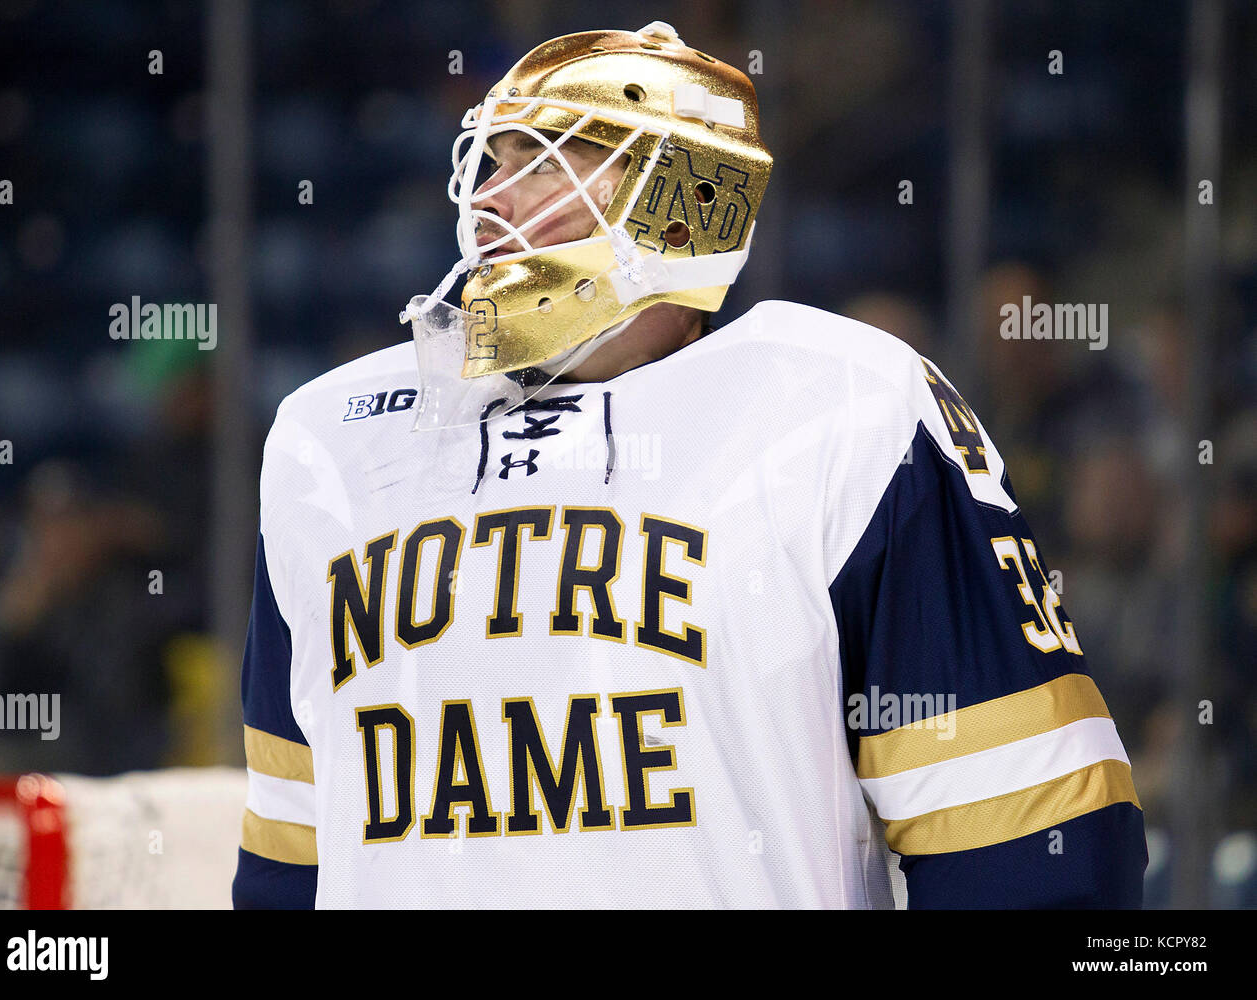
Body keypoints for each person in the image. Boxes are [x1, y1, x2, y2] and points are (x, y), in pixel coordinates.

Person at [232, 21, 1146, 908]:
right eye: (496, 161)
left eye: (547, 161)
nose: (492, 200)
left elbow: (1024, 844)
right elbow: (289, 860)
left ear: (685, 198)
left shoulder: (841, 406)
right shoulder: (333, 437)